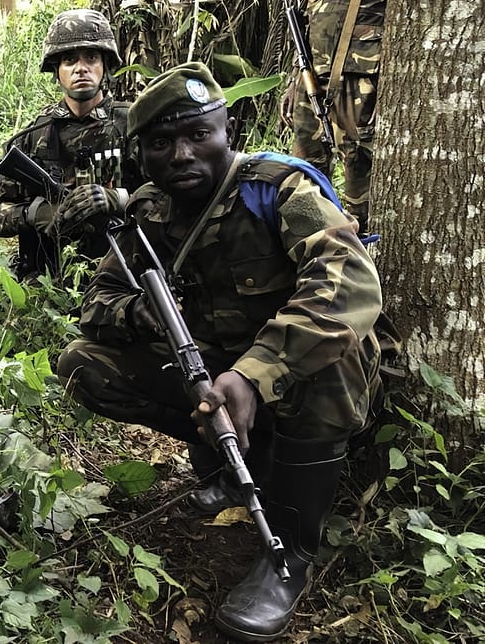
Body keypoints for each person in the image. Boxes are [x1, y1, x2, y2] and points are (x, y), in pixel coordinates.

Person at [57, 62, 384, 641]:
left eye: (197, 134)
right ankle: (240, 466)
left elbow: (349, 284)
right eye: (162, 143)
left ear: (226, 130)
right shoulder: (151, 212)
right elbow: (97, 303)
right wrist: (141, 312)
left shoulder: (278, 188)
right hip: (216, 372)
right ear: (142, 155)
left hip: (296, 376)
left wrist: (255, 374)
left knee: (333, 357)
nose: (182, 155)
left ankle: (290, 554)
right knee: (84, 364)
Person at [0, 8, 143, 283]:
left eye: (91, 58)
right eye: (69, 60)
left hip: (121, 276)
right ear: (57, 70)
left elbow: (169, 197)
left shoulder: (132, 124)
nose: (81, 68)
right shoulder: (34, 135)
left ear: (105, 65)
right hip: (46, 282)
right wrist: (34, 213)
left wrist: (119, 199)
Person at [283, 0, 388, 234]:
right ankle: (310, 244)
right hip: (311, 80)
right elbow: (308, 26)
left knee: (359, 178)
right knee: (305, 178)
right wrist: (294, 81)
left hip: (359, 81)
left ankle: (361, 249)